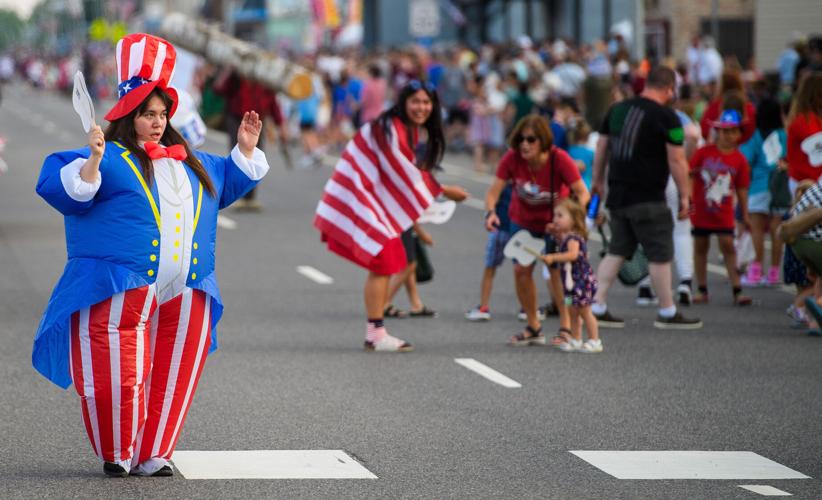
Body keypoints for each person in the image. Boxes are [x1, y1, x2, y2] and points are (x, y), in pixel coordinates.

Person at [33, 34, 269, 477]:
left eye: (162, 114)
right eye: (147, 114)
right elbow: (61, 190)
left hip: (190, 286)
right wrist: (92, 161)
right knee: (116, 375)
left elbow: (228, 185)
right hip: (119, 284)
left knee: (174, 375)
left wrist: (247, 149)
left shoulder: (190, 162)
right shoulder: (110, 158)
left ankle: (154, 450)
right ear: (130, 115)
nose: (157, 123)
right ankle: (118, 450)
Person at [314, 80, 467, 352]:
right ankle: (375, 332)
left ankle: (376, 329)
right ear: (403, 102)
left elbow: (398, 175)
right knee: (383, 262)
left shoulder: (402, 129)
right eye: (416, 101)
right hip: (364, 198)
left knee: (388, 261)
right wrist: (441, 189)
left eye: (426, 102)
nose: (422, 107)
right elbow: (400, 172)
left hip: (372, 201)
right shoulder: (390, 128)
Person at [591, 66, 702, 329]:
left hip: (618, 194)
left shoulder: (616, 110)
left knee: (617, 250)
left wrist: (597, 182)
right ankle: (667, 311)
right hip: (649, 196)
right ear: (669, 89)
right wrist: (685, 196)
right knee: (659, 254)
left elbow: (601, 147)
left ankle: (596, 304)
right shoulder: (668, 118)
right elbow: (676, 159)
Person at [484, 115, 589, 346]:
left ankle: (566, 326)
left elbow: (582, 192)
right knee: (521, 271)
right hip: (522, 221)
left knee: (558, 275)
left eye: (531, 139)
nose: (524, 144)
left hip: (554, 224)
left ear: (543, 141)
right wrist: (490, 212)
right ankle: (533, 325)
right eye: (520, 139)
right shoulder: (513, 158)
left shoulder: (558, 159)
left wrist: (570, 221)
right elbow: (493, 192)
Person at [689, 110, 753, 305]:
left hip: (724, 211)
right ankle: (701, 288)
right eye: (724, 131)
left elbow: (742, 189)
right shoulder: (704, 152)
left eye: (733, 131)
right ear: (717, 132)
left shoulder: (740, 159)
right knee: (700, 247)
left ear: (739, 134)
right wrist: (689, 198)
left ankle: (737, 288)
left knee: (728, 245)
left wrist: (745, 213)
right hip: (702, 209)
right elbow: (690, 173)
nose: (728, 136)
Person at [213, 69, 286, 210]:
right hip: (237, 119)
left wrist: (280, 124)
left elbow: (273, 103)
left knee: (255, 156)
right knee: (238, 156)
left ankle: (250, 198)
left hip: (257, 123)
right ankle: (237, 195)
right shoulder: (236, 77)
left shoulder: (265, 78)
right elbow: (219, 89)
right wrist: (229, 71)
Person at [540, 199, 601, 353]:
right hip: (570, 284)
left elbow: (572, 255)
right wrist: (552, 232)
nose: (555, 219)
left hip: (581, 282)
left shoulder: (574, 238)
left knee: (584, 310)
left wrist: (553, 257)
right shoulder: (564, 237)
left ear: (574, 219)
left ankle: (595, 340)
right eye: (555, 216)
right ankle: (576, 338)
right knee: (571, 309)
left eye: (560, 216)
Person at [740, 97, 788, 286]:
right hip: (780, 187)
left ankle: (756, 270)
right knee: (778, 230)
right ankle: (775, 272)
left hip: (758, 187)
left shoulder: (756, 135)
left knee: (757, 230)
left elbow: (745, 159)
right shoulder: (784, 135)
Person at [465, 183, 513, 321]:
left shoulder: (509, 184)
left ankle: (569, 316)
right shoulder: (519, 185)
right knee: (523, 271)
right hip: (510, 229)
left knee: (492, 268)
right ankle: (568, 313)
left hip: (502, 229)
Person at [786, 73, 822, 192]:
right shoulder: (804, 120)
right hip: (804, 181)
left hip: (811, 180)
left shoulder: (812, 118)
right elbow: (817, 142)